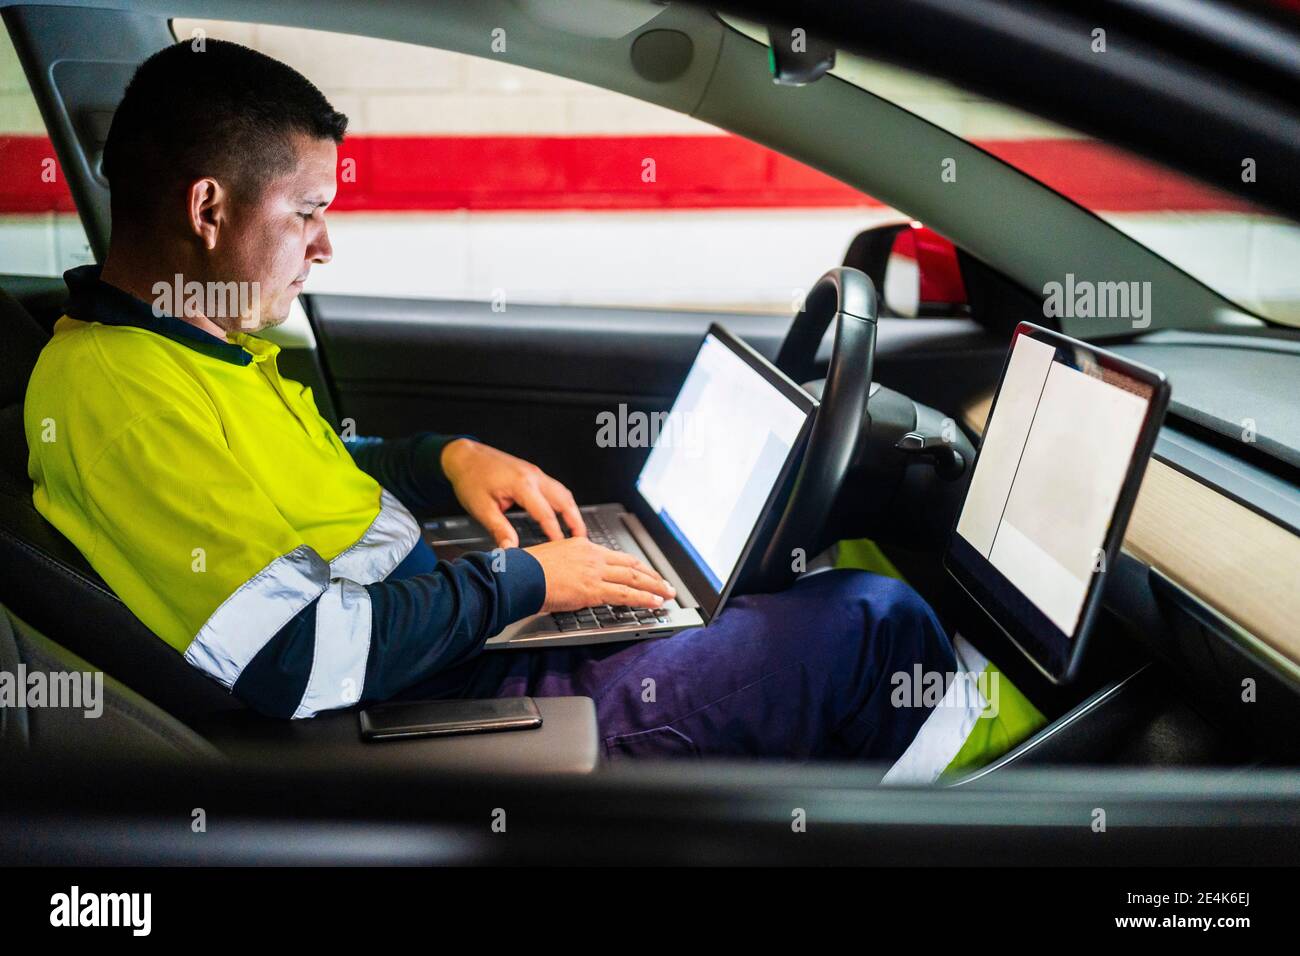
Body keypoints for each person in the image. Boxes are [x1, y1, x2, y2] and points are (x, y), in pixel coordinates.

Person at [24, 39, 957, 764]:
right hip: (440, 712)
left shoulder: (195, 347)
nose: (325, 245)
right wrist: (530, 583)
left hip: (442, 640)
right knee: (873, 625)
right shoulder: (120, 392)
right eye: (307, 211)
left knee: (787, 594)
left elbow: (309, 490)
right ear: (208, 211)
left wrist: (443, 459)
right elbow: (295, 657)